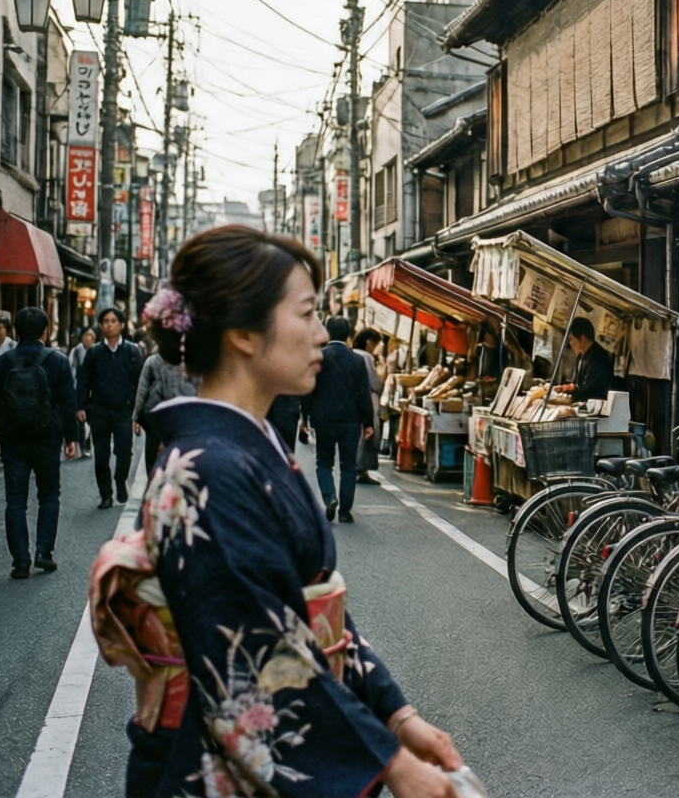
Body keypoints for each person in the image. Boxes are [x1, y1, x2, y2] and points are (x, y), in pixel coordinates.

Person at [100, 224, 464, 797]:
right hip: (203, 762)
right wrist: (390, 763)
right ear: (244, 333)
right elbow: (252, 653)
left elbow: (304, 617)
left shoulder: (246, 446)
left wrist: (396, 716)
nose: (322, 334)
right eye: (307, 314)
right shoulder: (207, 470)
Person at [0, 306, 78, 579]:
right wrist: (71, 438)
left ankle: (20, 561)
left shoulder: (3, 362)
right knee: (49, 495)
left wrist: (3, 426)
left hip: (13, 441)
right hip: (47, 438)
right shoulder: (57, 361)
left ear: (15, 332)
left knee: (15, 501)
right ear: (45, 331)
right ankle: (44, 552)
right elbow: (68, 402)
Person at [301, 316, 375, 523]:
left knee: (323, 462)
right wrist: (368, 422)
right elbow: (363, 394)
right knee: (348, 465)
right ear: (348, 335)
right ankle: (344, 512)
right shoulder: (358, 360)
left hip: (323, 419)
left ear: (327, 333)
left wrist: (304, 417)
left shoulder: (318, 357)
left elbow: (307, 389)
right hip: (350, 421)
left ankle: (329, 497)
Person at [76, 307, 144, 508]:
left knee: (124, 453)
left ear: (121, 325)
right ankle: (105, 494)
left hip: (124, 411)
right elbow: (84, 381)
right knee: (100, 457)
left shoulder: (132, 351)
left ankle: (120, 481)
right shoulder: (94, 352)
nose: (110, 324)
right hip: (99, 412)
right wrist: (81, 406)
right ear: (100, 325)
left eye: (114, 321)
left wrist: (139, 412)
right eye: (106, 321)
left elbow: (140, 383)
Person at [131, 345, 197, 471]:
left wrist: (137, 417)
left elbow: (142, 390)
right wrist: (137, 417)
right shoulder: (153, 361)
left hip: (161, 418)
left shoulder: (153, 361)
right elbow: (142, 390)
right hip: (170, 420)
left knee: (155, 462)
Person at [554, 315, 616, 402]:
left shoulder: (600, 357)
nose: (570, 343)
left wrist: (568, 391)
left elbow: (590, 390)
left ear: (582, 338)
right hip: (581, 401)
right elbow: (575, 384)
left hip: (595, 404)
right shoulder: (580, 357)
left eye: (571, 339)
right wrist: (563, 388)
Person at [352, 329, 385, 484]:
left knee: (359, 434)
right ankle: (361, 468)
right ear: (368, 342)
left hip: (352, 400)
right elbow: (376, 384)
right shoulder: (366, 357)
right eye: (375, 343)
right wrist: (382, 373)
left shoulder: (352, 353)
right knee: (368, 433)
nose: (375, 347)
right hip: (368, 400)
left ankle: (358, 468)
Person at [69, 327, 97, 458]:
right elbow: (70, 370)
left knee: (92, 419)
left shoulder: (98, 351)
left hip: (95, 390)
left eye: (92, 336)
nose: (89, 338)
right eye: (86, 335)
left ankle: (89, 444)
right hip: (78, 388)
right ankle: (84, 447)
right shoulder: (76, 351)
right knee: (81, 418)